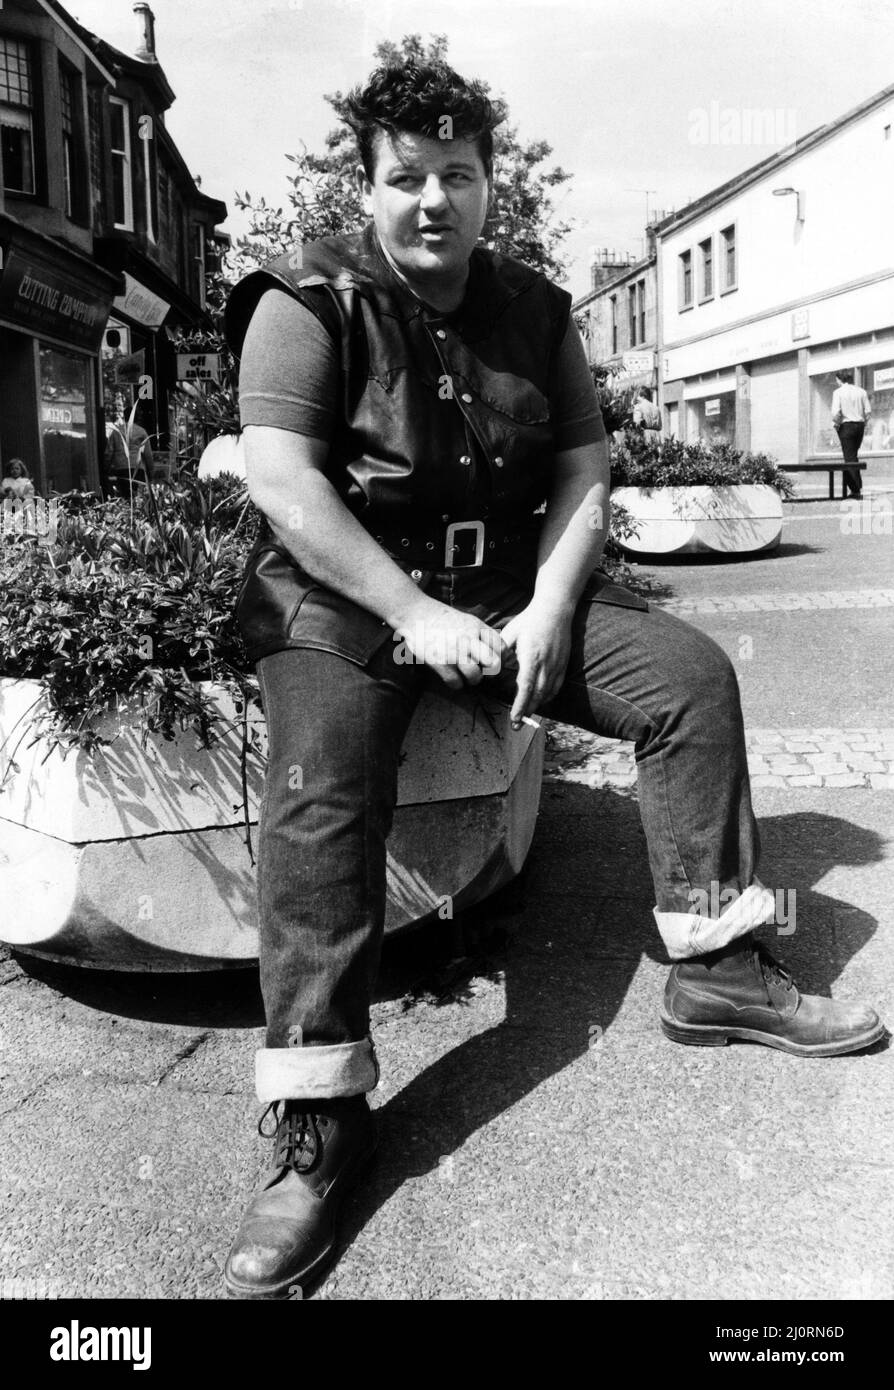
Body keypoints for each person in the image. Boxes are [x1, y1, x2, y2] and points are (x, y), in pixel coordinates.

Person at [222, 59, 886, 1300]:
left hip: (506, 600)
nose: (434, 200)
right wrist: (412, 612)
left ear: (488, 185)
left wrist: (545, 610)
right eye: (406, 177)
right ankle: (318, 1121)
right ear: (365, 182)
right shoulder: (303, 298)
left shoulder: (537, 307)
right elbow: (283, 483)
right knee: (317, 785)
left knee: (689, 675)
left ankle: (718, 965)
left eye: (458, 176)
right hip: (350, 602)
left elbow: (583, 472)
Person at [830, 368, 871, 499]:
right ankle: (857, 487)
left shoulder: (838, 392)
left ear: (840, 379)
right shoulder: (862, 392)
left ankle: (855, 489)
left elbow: (835, 412)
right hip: (859, 425)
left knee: (849, 458)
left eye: (836, 380)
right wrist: (863, 423)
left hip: (846, 425)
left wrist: (837, 424)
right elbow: (868, 411)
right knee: (853, 456)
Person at [103, 405, 153, 496]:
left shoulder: (116, 431)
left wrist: (106, 468)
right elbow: (148, 454)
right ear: (137, 417)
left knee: (125, 495)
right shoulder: (142, 432)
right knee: (138, 496)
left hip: (121, 468)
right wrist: (151, 472)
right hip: (138, 468)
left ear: (125, 416)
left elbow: (108, 453)